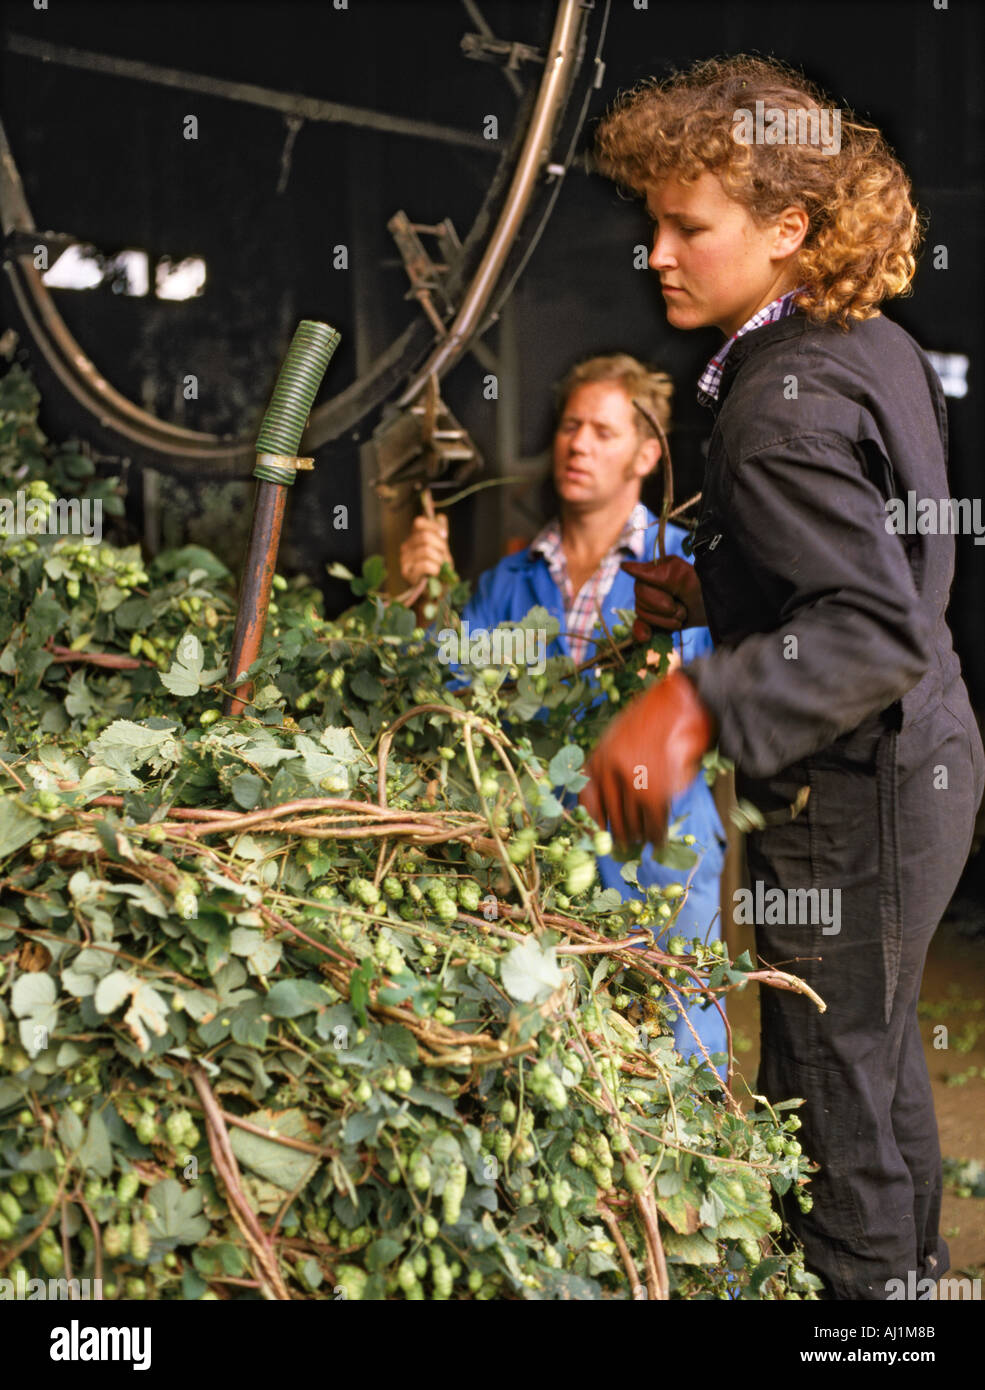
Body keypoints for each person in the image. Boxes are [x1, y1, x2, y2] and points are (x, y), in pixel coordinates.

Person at [584, 55, 985, 1300]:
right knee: (867, 1058)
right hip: (926, 760)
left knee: (825, 1088)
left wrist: (690, 705)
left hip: (856, 787)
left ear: (786, 227)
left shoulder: (776, 411)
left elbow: (868, 631)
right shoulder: (866, 341)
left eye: (687, 226)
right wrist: (724, 597)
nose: (656, 251)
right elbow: (883, 564)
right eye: (650, 220)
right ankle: (911, 1290)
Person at [399, 354, 728, 1067]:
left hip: (654, 840)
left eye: (602, 432)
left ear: (646, 454)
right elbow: (448, 699)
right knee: (555, 1066)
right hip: (534, 848)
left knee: (673, 1055)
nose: (577, 444)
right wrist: (427, 601)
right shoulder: (507, 579)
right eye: (569, 427)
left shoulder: (687, 569)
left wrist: (674, 674)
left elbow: (721, 694)